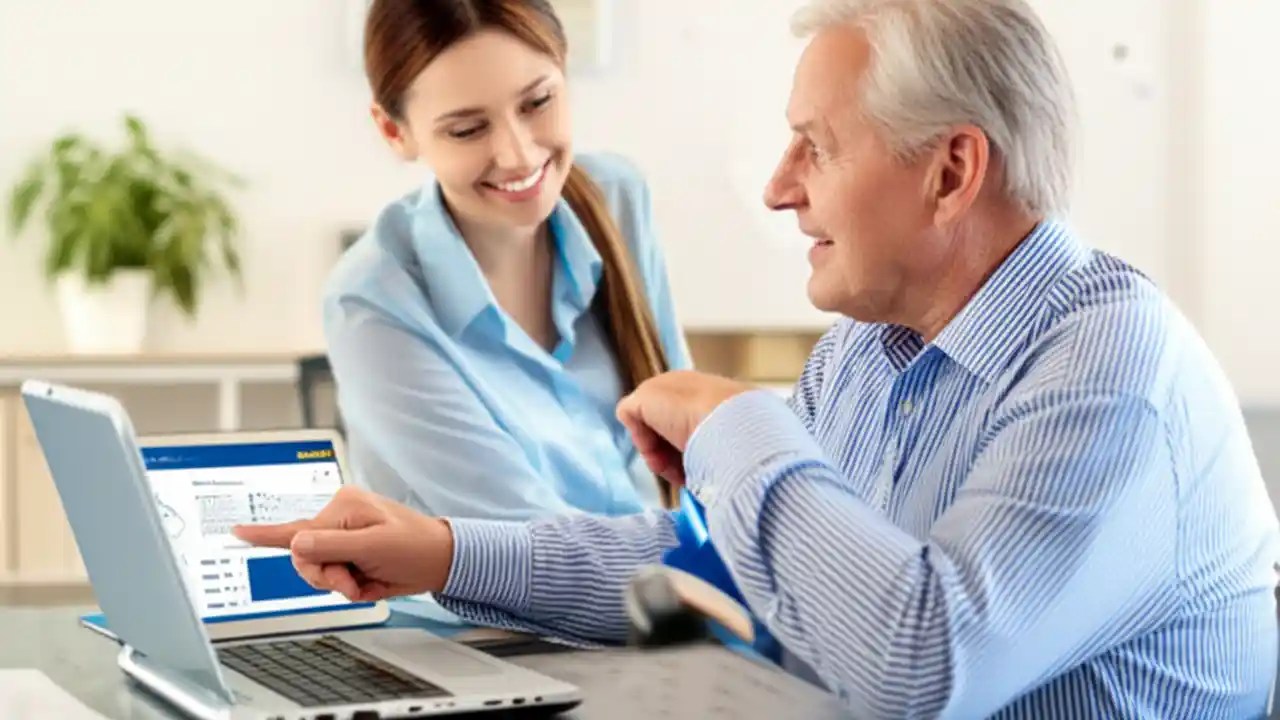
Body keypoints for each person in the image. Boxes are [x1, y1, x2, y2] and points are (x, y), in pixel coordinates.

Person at [237, 0, 1280, 716]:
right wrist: (446, 553)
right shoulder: (870, 348)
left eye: (814, 146)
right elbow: (720, 559)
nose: (780, 187)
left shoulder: (1110, 370)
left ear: (950, 172)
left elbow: (925, 664)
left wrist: (740, 424)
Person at [326, 0, 691, 520]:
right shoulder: (373, 301)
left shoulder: (616, 196)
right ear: (394, 132)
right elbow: (532, 547)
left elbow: (692, 442)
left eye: (537, 102)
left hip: (670, 565)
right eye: (467, 130)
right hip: (545, 576)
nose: (519, 155)